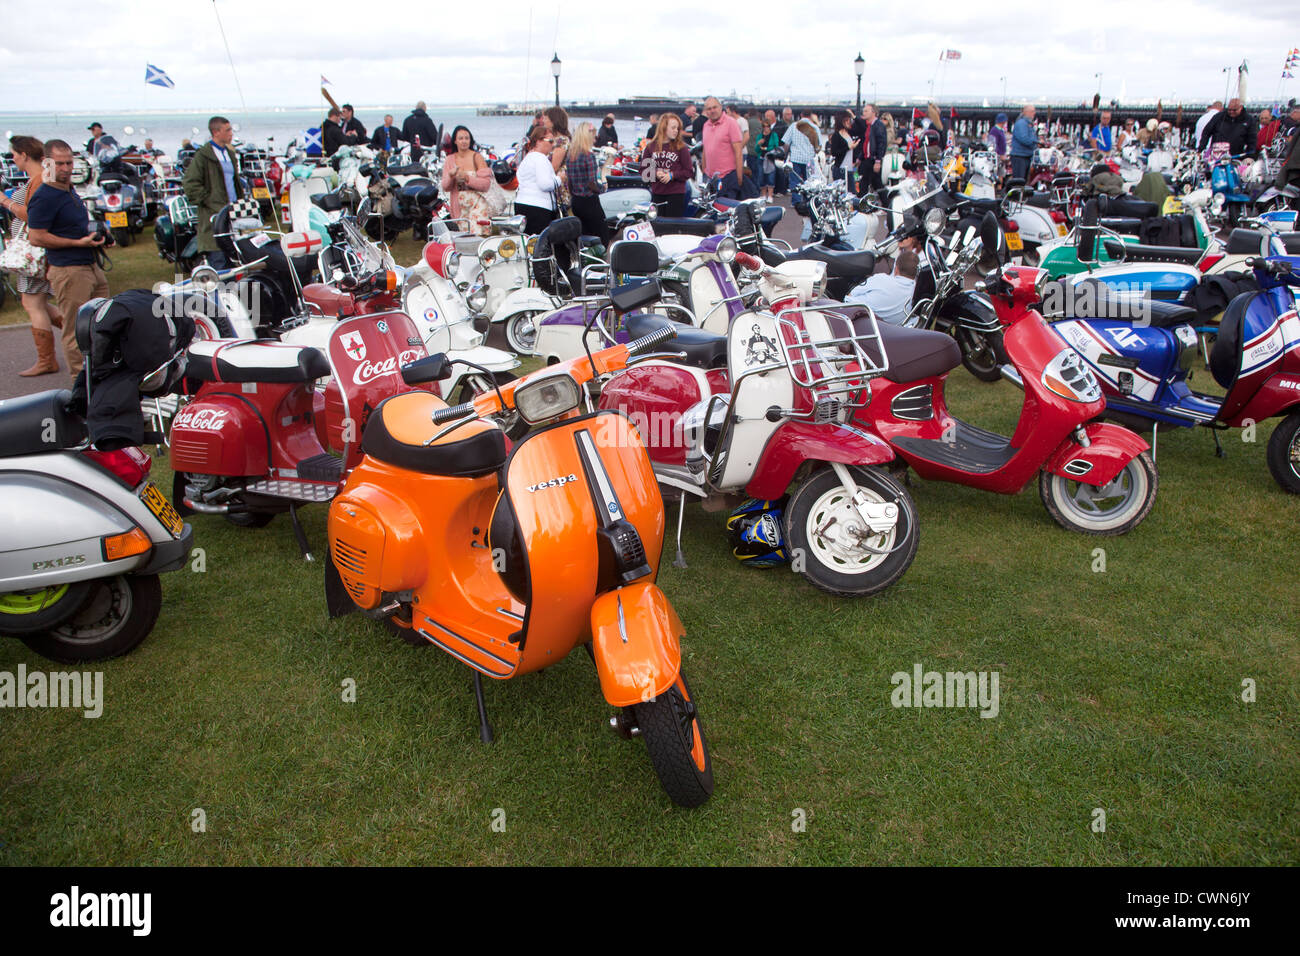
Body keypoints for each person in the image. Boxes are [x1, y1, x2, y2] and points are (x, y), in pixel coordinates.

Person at [24, 139, 107, 378]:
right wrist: (76, 243)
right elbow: (36, 237)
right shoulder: (45, 195)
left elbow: (72, 226)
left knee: (101, 324)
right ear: (46, 163)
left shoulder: (68, 190)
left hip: (90, 264)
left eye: (69, 162)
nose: (66, 168)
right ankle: (81, 387)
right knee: (75, 330)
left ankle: (101, 378)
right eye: (59, 164)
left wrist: (97, 237)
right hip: (69, 270)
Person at [3, 136, 67, 376]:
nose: (13, 160)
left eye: (14, 155)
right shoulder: (41, 178)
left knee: (33, 303)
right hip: (36, 251)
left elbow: (34, 216)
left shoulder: (39, 180)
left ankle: (47, 359)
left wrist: (5, 201)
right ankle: (81, 336)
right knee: (36, 302)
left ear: (24, 155)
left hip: (34, 253)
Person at [182, 115, 245, 271]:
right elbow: (190, 184)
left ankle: (233, 293)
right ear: (216, 132)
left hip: (233, 215)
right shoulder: (203, 155)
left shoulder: (230, 154)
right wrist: (210, 201)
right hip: (214, 217)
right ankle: (221, 294)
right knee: (219, 261)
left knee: (236, 262)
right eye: (227, 130)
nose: (231, 133)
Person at [440, 126, 494, 236]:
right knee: (464, 237)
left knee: (476, 235)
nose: (464, 141)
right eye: (460, 138)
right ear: (455, 141)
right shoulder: (450, 159)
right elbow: (445, 187)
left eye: (466, 138)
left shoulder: (477, 157)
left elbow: (486, 185)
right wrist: (450, 176)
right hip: (460, 209)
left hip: (478, 204)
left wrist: (468, 178)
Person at [846, 249, 919, 327]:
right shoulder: (915, 293)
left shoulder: (880, 279)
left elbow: (850, 295)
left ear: (896, 268)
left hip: (853, 319)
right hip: (883, 331)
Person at [641, 113, 693, 217]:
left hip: (676, 194)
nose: (676, 131)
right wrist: (656, 173)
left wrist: (672, 175)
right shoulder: (651, 147)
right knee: (658, 225)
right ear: (664, 128)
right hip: (657, 193)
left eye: (677, 128)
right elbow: (644, 172)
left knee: (672, 226)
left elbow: (688, 172)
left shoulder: (681, 147)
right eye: (673, 128)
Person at [514, 127, 563, 234]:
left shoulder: (527, 158)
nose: (552, 144)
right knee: (539, 243)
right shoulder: (541, 159)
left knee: (526, 240)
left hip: (521, 204)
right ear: (538, 141)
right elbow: (545, 184)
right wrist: (559, 179)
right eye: (550, 141)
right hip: (538, 208)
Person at [566, 122, 608, 243]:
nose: (595, 139)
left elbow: (570, 182)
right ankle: (600, 261)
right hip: (589, 201)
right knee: (602, 235)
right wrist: (602, 189)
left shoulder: (571, 155)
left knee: (584, 235)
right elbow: (591, 183)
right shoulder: (588, 156)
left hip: (576, 201)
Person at [701, 96, 745, 199]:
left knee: (726, 212)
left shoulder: (731, 123)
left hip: (727, 176)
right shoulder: (706, 125)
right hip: (710, 178)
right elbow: (705, 149)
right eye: (709, 109)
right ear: (706, 111)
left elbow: (738, 151)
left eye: (714, 107)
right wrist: (704, 169)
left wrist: (739, 177)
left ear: (721, 107)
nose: (712, 111)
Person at [857, 104, 885, 192]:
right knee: (870, 184)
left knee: (870, 184)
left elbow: (881, 144)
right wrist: (860, 157)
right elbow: (866, 144)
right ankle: (885, 203)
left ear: (873, 112)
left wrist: (878, 161)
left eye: (866, 111)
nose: (863, 113)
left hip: (873, 160)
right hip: (867, 160)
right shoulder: (869, 126)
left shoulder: (878, 125)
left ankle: (886, 203)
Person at [829, 110, 859, 189]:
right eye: (847, 120)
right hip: (841, 169)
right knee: (844, 193)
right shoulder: (836, 135)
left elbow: (861, 128)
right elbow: (834, 152)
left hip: (849, 168)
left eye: (850, 120)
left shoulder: (849, 133)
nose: (849, 122)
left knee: (852, 193)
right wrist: (848, 148)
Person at [754, 116, 780, 200]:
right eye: (764, 126)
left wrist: (766, 148)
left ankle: (770, 196)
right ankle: (764, 195)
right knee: (761, 177)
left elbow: (776, 147)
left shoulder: (774, 135)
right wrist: (758, 144)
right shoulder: (759, 136)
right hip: (761, 158)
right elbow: (756, 150)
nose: (766, 128)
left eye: (768, 126)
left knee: (770, 177)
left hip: (770, 158)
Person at [1010, 105, 1038, 182]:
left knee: (1023, 180)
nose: (1034, 113)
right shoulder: (1021, 123)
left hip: (1026, 155)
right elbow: (1023, 138)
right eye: (1032, 111)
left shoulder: (1028, 123)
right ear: (1026, 112)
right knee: (1019, 181)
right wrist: (1035, 143)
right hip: (1019, 156)